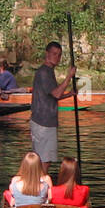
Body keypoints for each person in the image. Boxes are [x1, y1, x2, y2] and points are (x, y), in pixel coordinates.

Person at [29, 41, 76, 175]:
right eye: (54, 54)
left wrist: (70, 94)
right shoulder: (44, 72)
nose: (57, 57)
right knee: (44, 160)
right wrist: (69, 77)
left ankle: (40, 186)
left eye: (59, 55)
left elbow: (53, 96)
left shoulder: (49, 72)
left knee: (45, 160)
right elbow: (56, 93)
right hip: (42, 123)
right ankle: (41, 189)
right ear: (47, 54)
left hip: (47, 122)